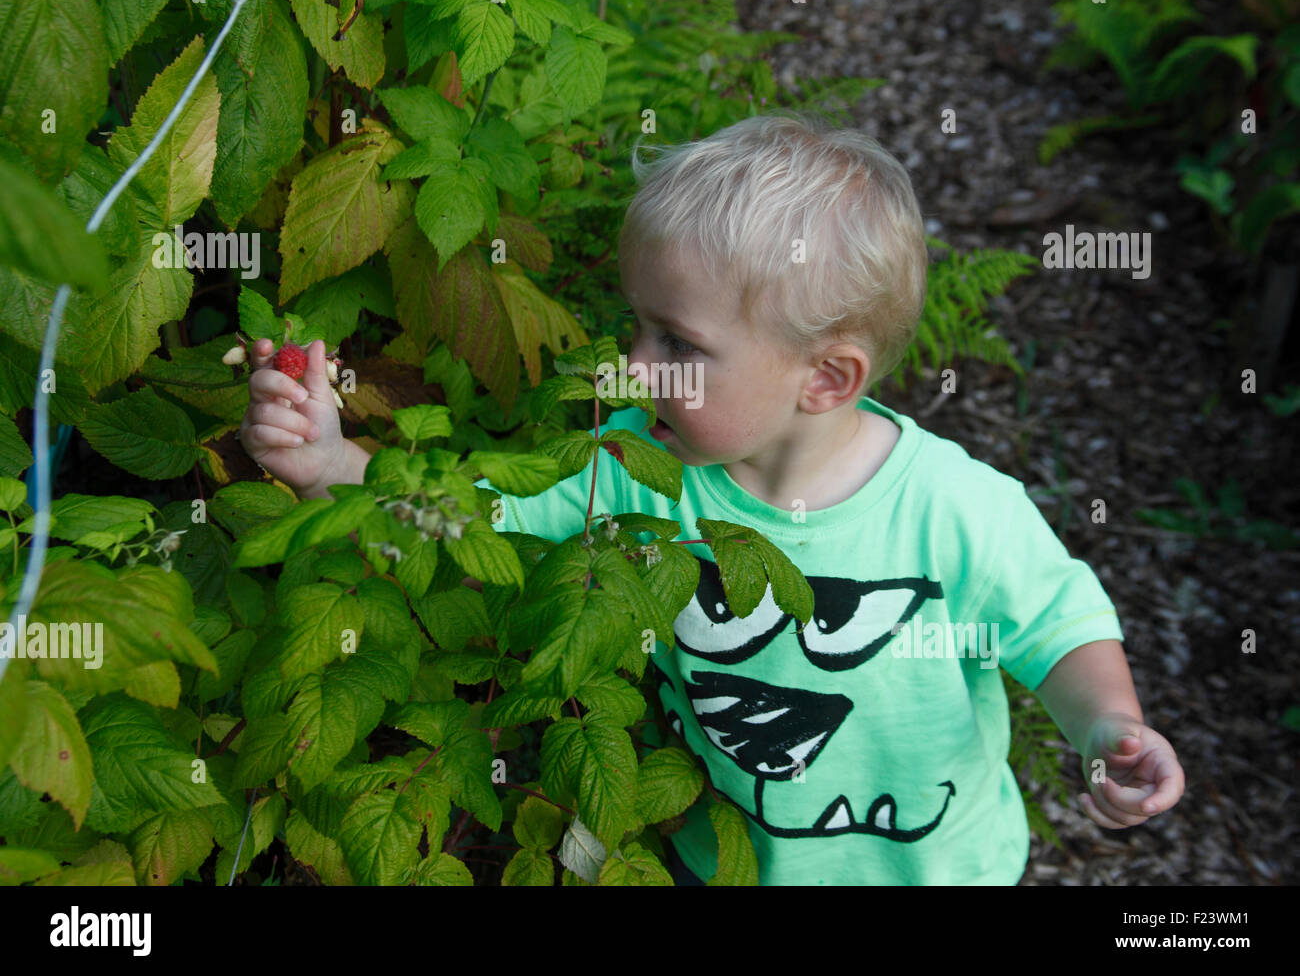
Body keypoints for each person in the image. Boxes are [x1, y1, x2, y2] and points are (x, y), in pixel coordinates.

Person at [239, 111, 1185, 885]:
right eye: (639, 327)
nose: (636, 367)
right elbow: (483, 520)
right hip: (720, 854)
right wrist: (334, 467)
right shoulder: (635, 468)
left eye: (677, 344)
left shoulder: (952, 511)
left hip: (935, 868)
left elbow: (1057, 625)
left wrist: (1107, 726)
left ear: (825, 378)